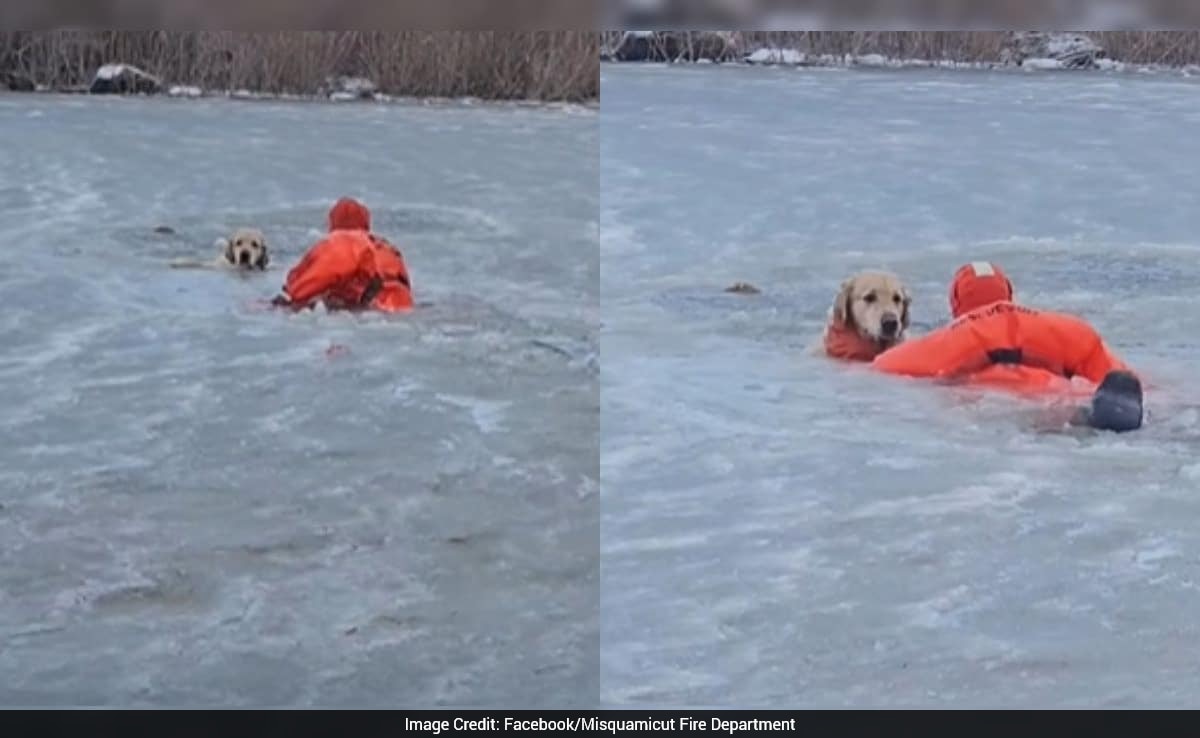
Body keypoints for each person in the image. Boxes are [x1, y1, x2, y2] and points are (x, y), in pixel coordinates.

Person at [871, 261, 1143, 432]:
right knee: (1069, 399)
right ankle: (1085, 416)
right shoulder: (1060, 327)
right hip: (1050, 386)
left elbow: (883, 368)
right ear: (1008, 293)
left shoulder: (945, 339)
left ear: (956, 305)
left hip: (990, 400)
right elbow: (1114, 371)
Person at [271, 197, 413, 312]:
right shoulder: (387, 247)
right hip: (404, 304)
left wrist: (289, 299)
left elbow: (306, 284)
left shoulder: (341, 241)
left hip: (375, 309)